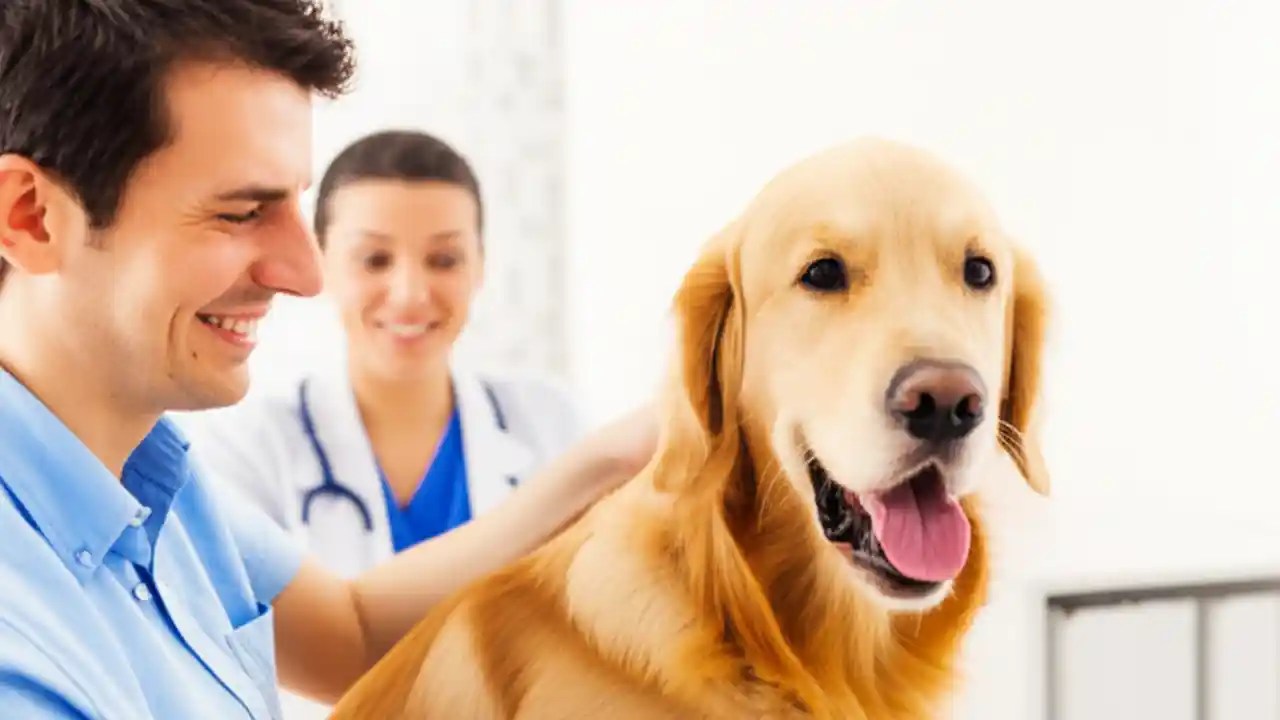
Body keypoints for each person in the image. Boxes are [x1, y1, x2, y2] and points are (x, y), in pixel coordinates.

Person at [0, 3, 654, 718]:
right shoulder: (21, 652)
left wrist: (624, 454)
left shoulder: (157, 484)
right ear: (30, 216)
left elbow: (358, 638)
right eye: (241, 213)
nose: (307, 275)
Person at [173, 130, 585, 582]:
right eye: (374, 260)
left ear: (480, 266)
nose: (410, 295)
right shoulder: (251, 449)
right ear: (321, 263)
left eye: (444, 260)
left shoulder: (550, 425)